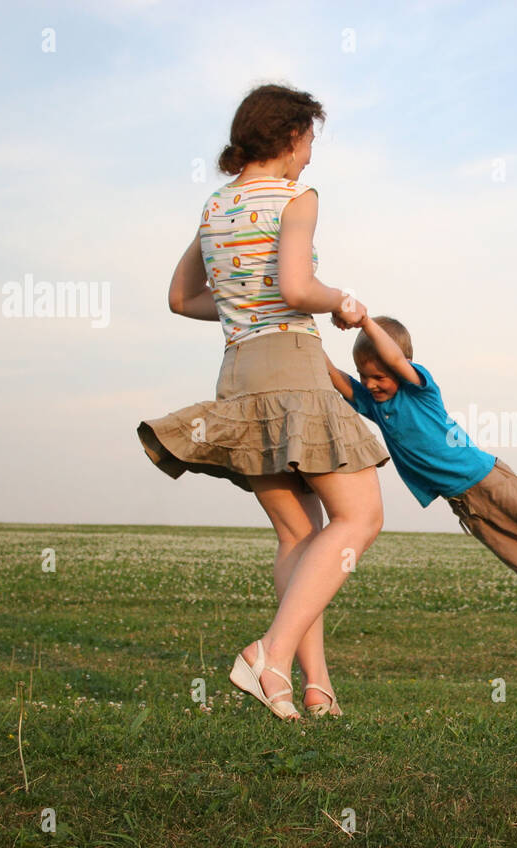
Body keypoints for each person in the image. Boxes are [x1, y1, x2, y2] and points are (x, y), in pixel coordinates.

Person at [137, 83, 387, 722]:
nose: (309, 157)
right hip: (293, 369)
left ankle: (308, 686)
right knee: (360, 516)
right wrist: (343, 302)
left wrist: (240, 308)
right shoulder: (296, 198)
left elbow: (181, 299)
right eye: (309, 142)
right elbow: (299, 287)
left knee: (299, 534)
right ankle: (268, 654)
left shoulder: (216, 205)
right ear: (290, 137)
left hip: (240, 378)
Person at [325, 316, 517, 636]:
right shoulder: (377, 407)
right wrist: (309, 343)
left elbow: (391, 357)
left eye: (378, 376)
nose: (370, 384)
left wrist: (364, 321)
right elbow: (339, 380)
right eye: (364, 376)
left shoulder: (419, 391)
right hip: (463, 503)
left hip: (487, 478)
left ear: (404, 365)